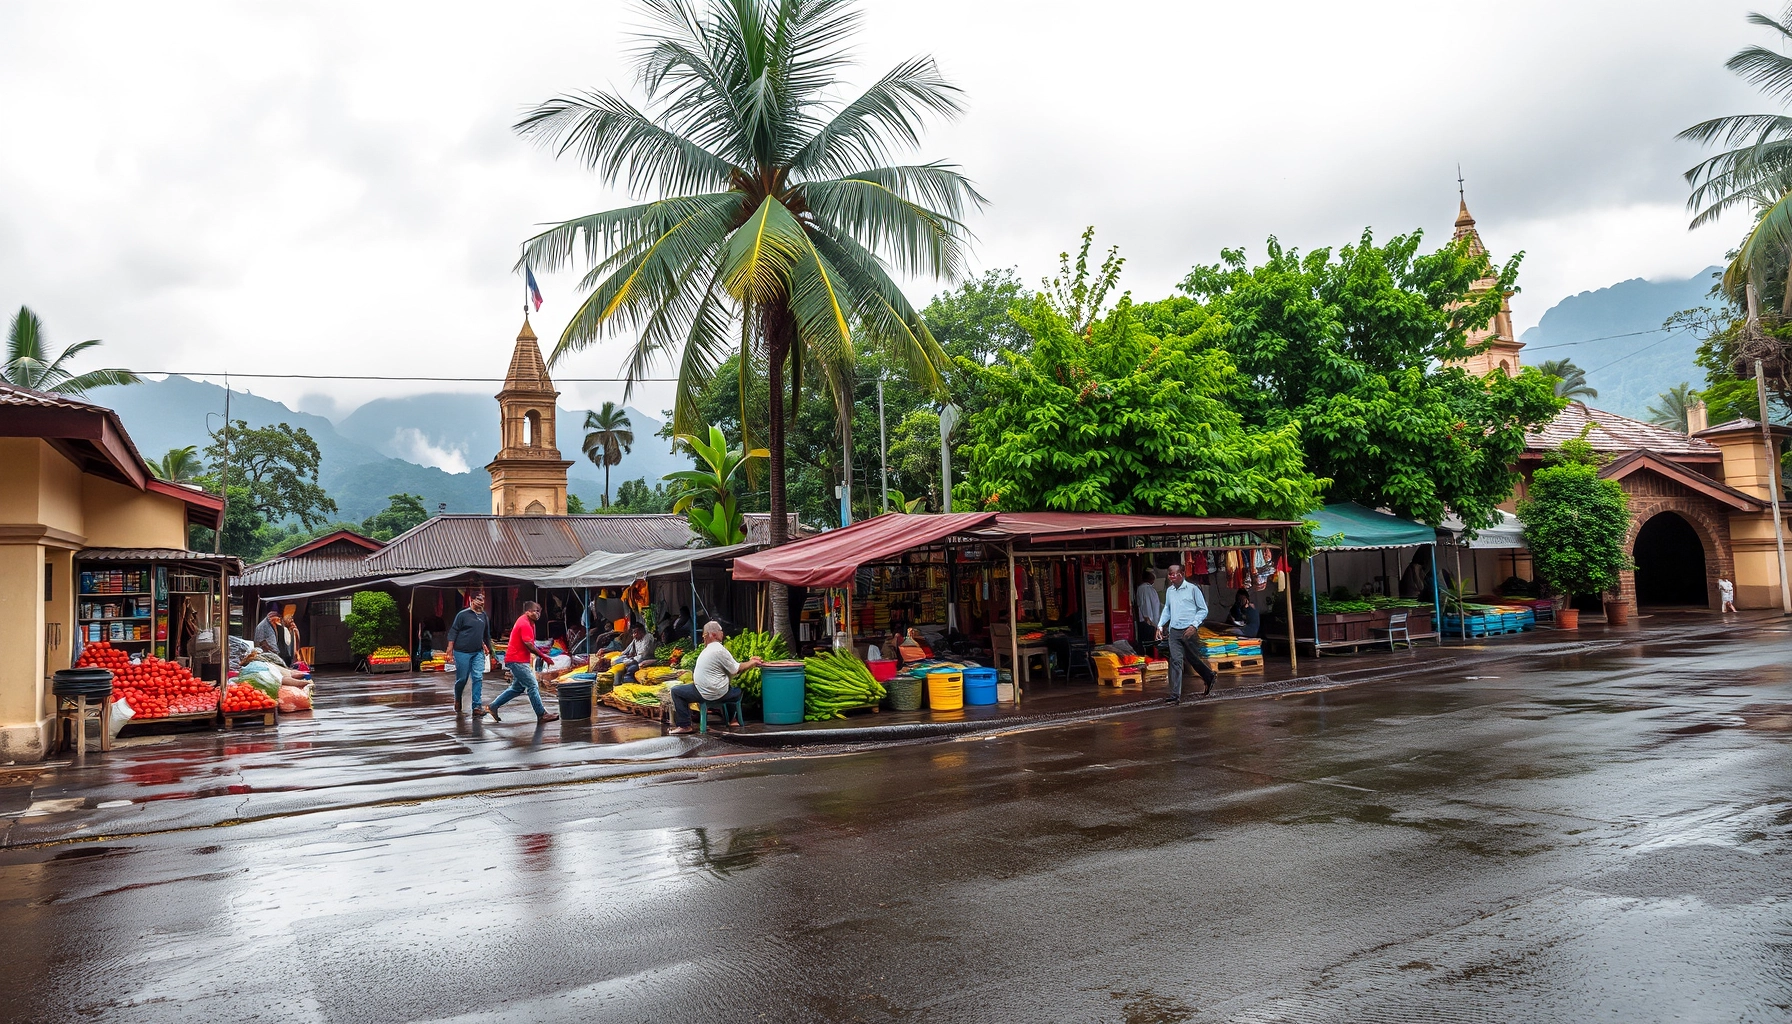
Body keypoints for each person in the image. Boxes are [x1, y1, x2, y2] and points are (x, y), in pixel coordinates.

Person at [669, 621, 762, 735]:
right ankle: (732, 719)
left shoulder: (711, 649)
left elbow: (733, 668)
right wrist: (752, 663)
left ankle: (685, 725)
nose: (722, 634)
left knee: (676, 691)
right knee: (737, 691)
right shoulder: (718, 649)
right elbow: (736, 669)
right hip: (712, 692)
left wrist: (749, 662)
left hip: (704, 690)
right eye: (720, 631)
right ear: (713, 634)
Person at [1156, 562, 1217, 704]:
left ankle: (1209, 676)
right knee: (1176, 661)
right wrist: (1160, 626)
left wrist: (1194, 625)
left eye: (1173, 574)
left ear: (1181, 574)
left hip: (1189, 631)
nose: (1171, 577)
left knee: (1193, 660)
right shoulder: (1170, 591)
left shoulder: (1193, 589)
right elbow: (1167, 610)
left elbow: (1203, 610)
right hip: (1174, 631)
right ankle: (1175, 695)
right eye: (1169, 574)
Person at [489, 601, 558, 723]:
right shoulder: (524, 623)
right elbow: (529, 645)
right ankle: (541, 714)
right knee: (532, 685)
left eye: (539, 611)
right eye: (536, 611)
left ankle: (493, 706)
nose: (538, 614)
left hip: (519, 660)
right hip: (517, 660)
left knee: (517, 688)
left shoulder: (530, 623)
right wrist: (543, 656)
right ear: (528, 611)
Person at [447, 592, 499, 716]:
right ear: (471, 600)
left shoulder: (484, 616)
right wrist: (450, 649)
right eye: (478, 599)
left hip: (477, 652)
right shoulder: (462, 615)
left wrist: (491, 652)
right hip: (462, 652)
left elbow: (486, 635)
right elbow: (454, 631)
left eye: (483, 599)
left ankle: (476, 706)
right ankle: (457, 697)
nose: (481, 602)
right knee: (462, 679)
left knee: (478, 677)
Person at [1134, 569, 1163, 651]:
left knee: (1149, 644)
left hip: (1149, 621)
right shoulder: (1145, 589)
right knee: (1149, 644)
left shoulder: (1145, 588)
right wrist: (1149, 620)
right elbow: (1146, 604)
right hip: (1147, 622)